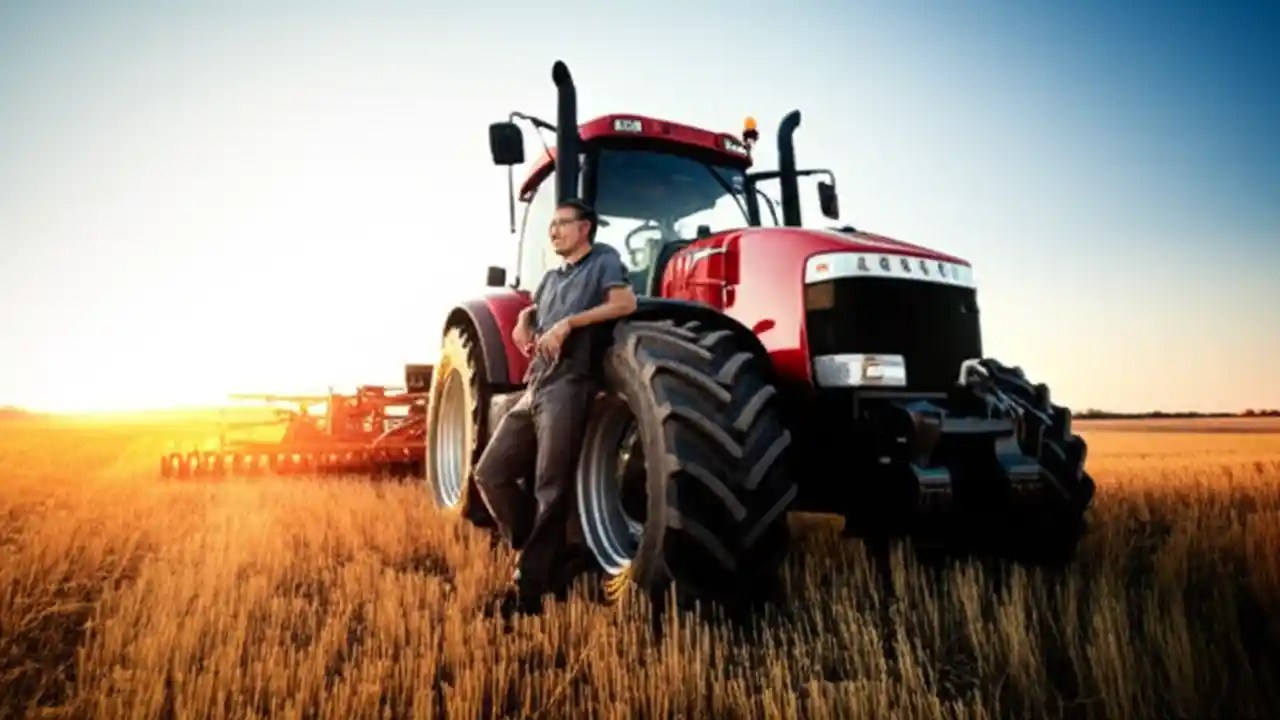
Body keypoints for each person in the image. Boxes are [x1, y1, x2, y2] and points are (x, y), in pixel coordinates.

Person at [474, 198, 638, 616]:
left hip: (569, 386)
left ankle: (527, 590)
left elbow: (624, 304)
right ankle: (545, 548)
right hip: (536, 387)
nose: (554, 230)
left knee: (551, 487)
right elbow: (539, 305)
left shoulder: (603, 260)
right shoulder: (550, 278)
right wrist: (526, 318)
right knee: (490, 473)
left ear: (585, 228)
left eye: (563, 223)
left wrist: (570, 324)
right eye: (552, 224)